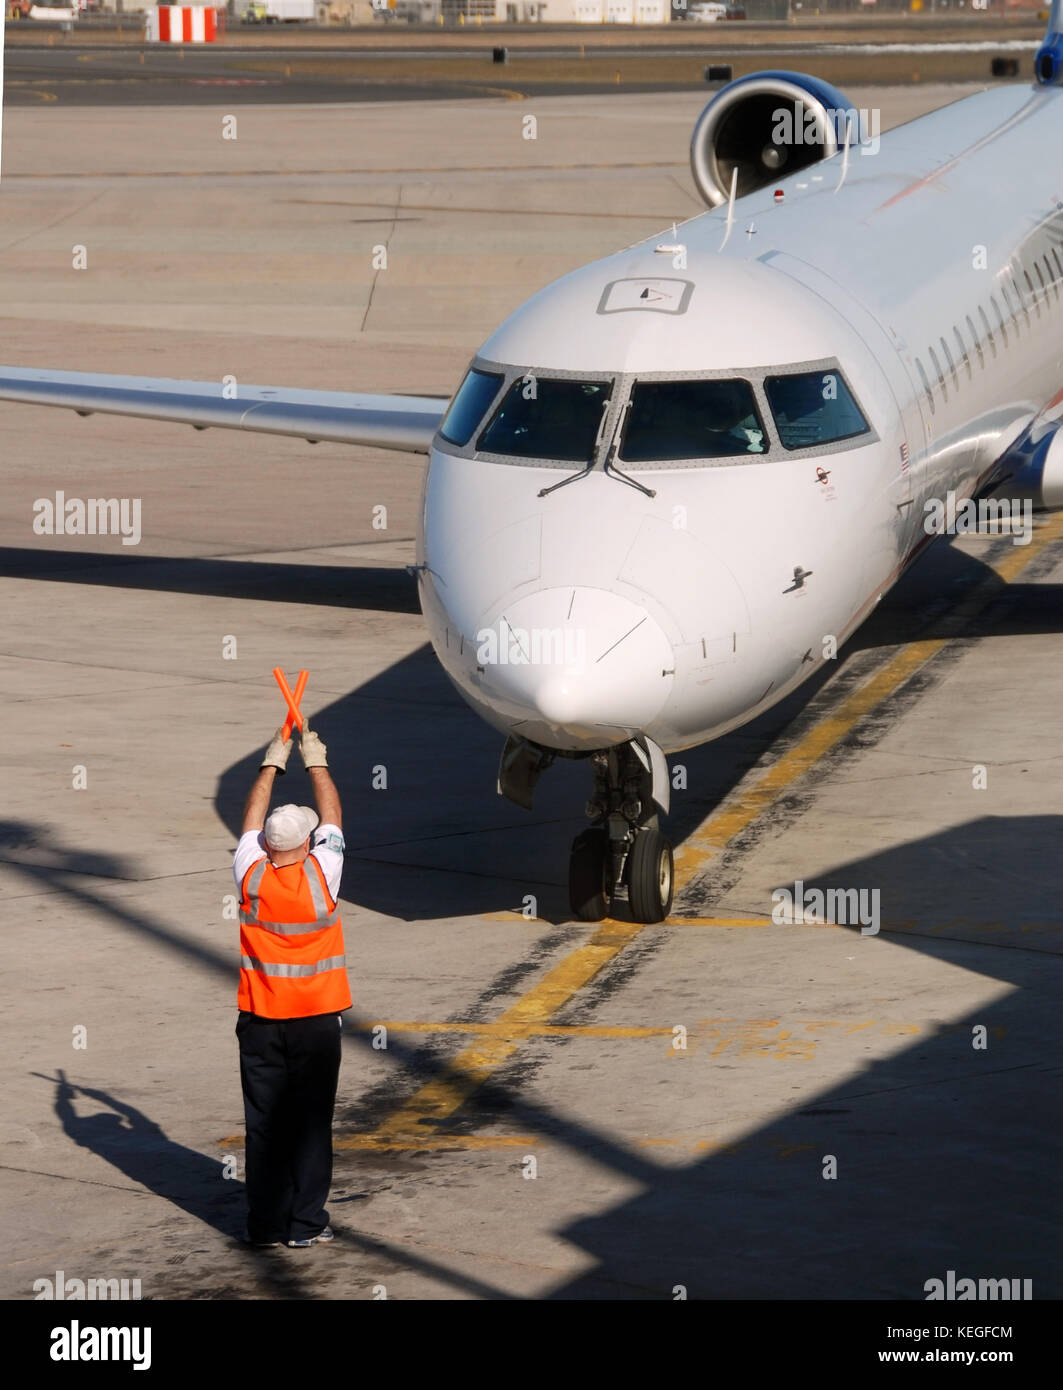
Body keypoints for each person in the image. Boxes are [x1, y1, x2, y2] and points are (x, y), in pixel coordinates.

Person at [231, 720, 350, 1249]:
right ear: (307, 842)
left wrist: (271, 761)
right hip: (315, 1025)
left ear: (266, 845)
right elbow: (334, 815)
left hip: (259, 1023)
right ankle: (304, 1224)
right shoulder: (323, 874)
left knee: (263, 1125)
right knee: (310, 1124)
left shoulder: (250, 875)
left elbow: (251, 821)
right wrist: (314, 758)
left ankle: (264, 1224)